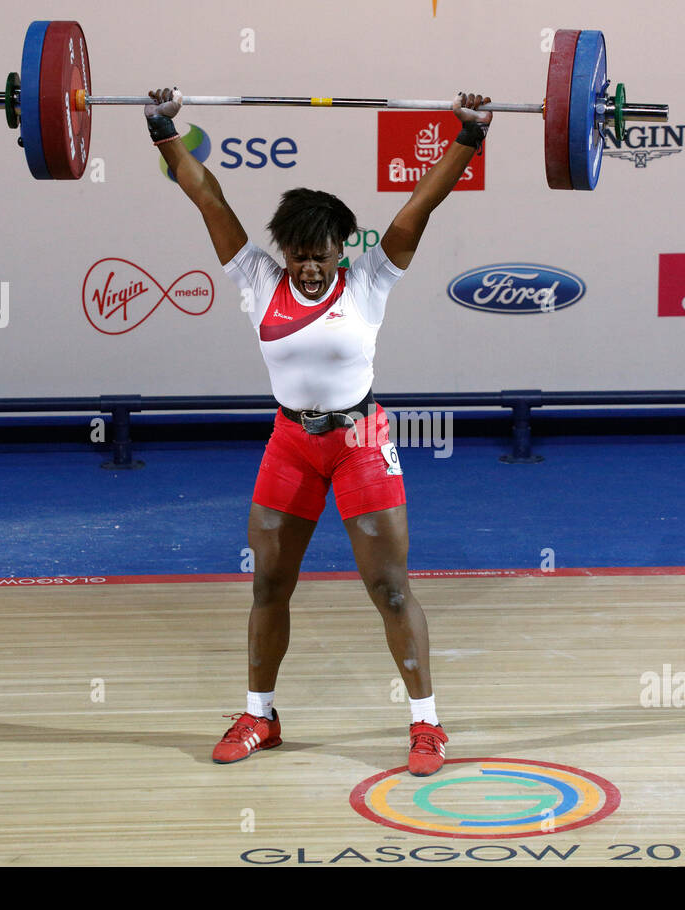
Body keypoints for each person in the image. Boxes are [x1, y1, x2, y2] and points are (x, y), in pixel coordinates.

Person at [146, 86, 491, 776]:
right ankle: (260, 716)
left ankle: (427, 726)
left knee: (390, 589)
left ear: (342, 250)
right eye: (298, 254)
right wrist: (162, 129)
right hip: (291, 445)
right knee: (269, 586)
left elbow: (420, 204)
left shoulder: (369, 281)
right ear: (283, 250)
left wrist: (470, 135)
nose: (308, 267)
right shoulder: (256, 278)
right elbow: (208, 198)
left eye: (320, 255)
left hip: (360, 441)